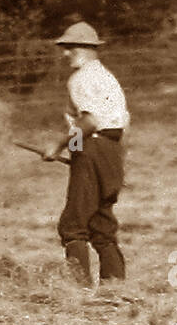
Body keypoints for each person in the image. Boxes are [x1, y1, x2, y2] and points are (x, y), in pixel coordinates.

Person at [43, 22, 129, 285]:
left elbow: (89, 122)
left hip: (92, 145)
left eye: (69, 48)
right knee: (101, 222)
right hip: (111, 149)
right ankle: (114, 287)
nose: (65, 54)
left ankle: (77, 288)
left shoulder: (81, 78)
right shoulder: (105, 76)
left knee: (73, 224)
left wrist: (59, 145)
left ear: (84, 49)